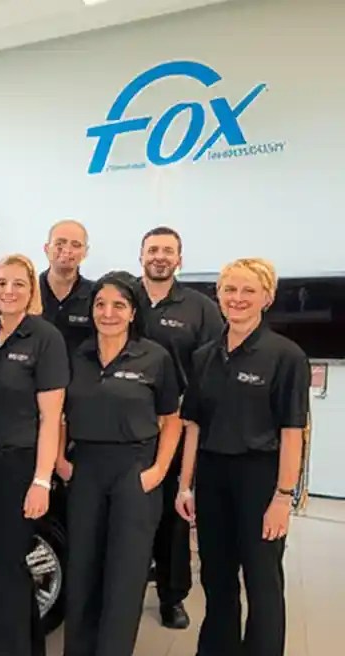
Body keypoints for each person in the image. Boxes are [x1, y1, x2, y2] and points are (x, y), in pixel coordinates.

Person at [172, 258, 309, 656]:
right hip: (211, 473)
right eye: (229, 289)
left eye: (248, 290)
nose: (237, 298)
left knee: (262, 580)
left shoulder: (285, 356)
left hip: (260, 476)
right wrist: (185, 484)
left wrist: (283, 498)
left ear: (266, 297)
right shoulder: (206, 355)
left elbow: (293, 433)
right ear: (218, 294)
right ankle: (218, 652)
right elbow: (192, 425)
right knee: (215, 572)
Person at [59, 272, 182, 656]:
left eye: (118, 306)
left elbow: (172, 421)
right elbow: (59, 414)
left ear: (133, 312)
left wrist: (158, 472)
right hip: (86, 470)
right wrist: (60, 460)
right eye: (100, 305)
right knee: (83, 570)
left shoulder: (155, 358)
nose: (108, 314)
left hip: (136, 471)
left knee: (125, 578)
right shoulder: (79, 355)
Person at [0, 253, 68, 656]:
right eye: (1, 284)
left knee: (5, 563)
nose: (8, 291)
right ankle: (25, 644)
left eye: (18, 284)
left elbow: (52, 418)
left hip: (19, 465)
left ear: (32, 291)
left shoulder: (45, 338)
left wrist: (42, 479)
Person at [135, 226, 224, 630]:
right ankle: (128, 584)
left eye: (168, 251)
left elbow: (212, 364)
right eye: (153, 249)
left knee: (173, 513)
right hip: (128, 425)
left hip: (176, 423)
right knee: (131, 508)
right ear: (141, 256)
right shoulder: (123, 296)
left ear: (179, 260)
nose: (160, 257)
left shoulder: (199, 308)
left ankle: (172, 596)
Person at [39, 220, 95, 355]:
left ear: (85, 252)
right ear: (46, 248)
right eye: (60, 243)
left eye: (76, 245)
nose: (67, 250)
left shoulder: (96, 296)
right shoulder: (28, 292)